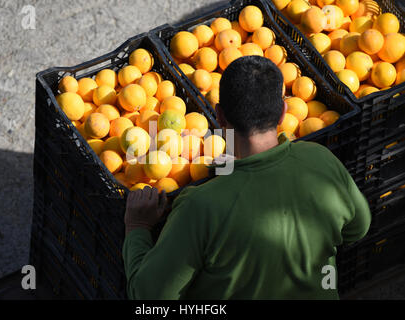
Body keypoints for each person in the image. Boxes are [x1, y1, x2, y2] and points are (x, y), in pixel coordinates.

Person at [122, 55, 371, 300]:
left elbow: (148, 296)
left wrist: (137, 228)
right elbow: (358, 228)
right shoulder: (321, 160)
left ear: (219, 117)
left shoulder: (199, 207)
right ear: (283, 112)